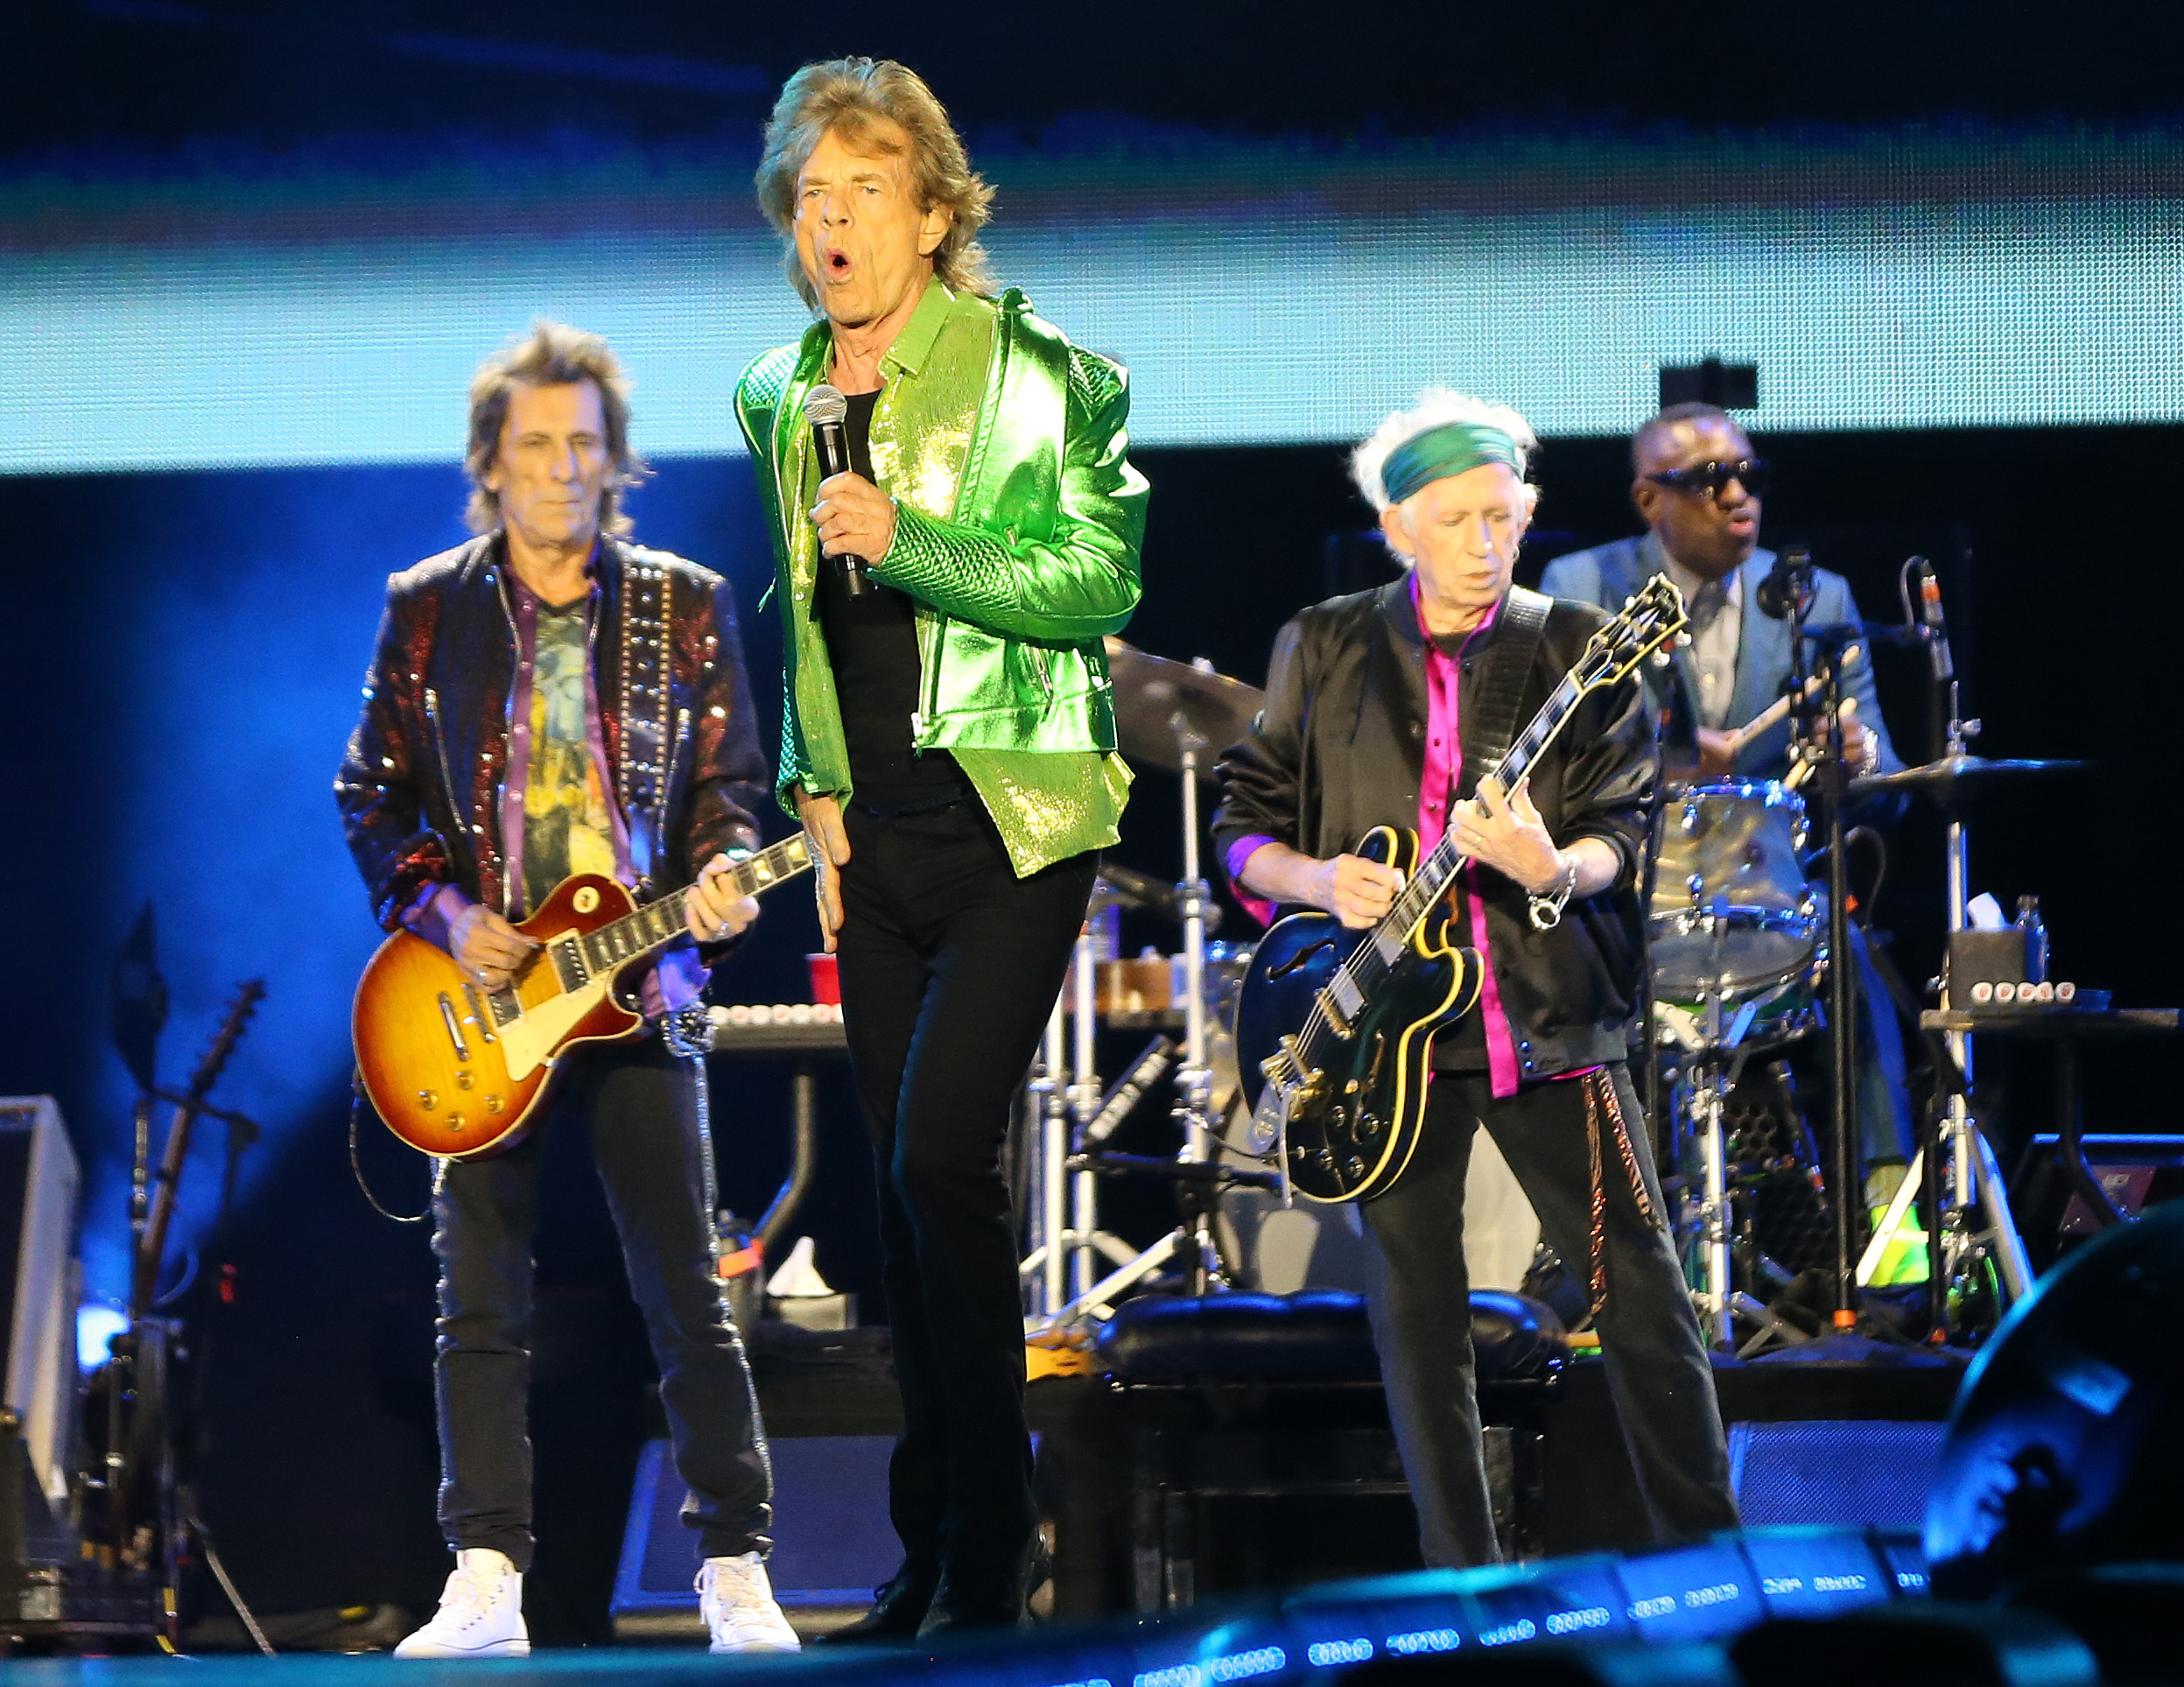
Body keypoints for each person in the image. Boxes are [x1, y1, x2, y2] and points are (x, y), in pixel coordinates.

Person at [734, 59, 1146, 1638]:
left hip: (1015, 820)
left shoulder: (1033, 368)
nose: (836, 222)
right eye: (813, 196)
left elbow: (1096, 581)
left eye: (867, 192)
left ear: (931, 213)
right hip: (876, 837)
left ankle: (997, 1538)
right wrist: (808, 789)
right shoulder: (784, 394)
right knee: (908, 1213)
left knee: (932, 1157)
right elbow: (800, 619)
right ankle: (942, 1545)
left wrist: (915, 543)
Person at [1214, 389, 1738, 1567]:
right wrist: (1310, 879)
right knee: (1413, 1315)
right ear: (1398, 527)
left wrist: (1552, 862)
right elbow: (1237, 822)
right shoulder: (1323, 641)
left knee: (1641, 1291)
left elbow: (1624, 825)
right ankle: (1461, 1582)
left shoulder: (1577, 645)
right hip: (1380, 1028)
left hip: (1540, 1015)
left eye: (1501, 517)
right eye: (1453, 520)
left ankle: (1708, 1562)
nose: (1482, 543)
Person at [336, 322, 797, 1658]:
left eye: (582, 446)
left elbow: (728, 798)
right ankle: (484, 1570)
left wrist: (720, 885)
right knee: (477, 1296)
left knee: (685, 1293)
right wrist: (445, 909)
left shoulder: (683, 601)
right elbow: (368, 790)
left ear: (614, 464)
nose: (560, 469)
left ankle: (735, 1568)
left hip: (636, 983)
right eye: (534, 444)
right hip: (478, 1004)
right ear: (491, 461)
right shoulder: (426, 604)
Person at [1541, 404, 1915, 1179]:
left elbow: (1886, 778)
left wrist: (1858, 755)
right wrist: (1668, 763)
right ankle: (1605, 1231)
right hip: (1627, 897)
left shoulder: (1819, 599)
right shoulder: (1579, 589)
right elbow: (1553, 765)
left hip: (1765, 891)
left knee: (1859, 970)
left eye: (1750, 475)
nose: (1739, 494)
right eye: (1712, 479)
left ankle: (1887, 1226)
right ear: (1651, 499)